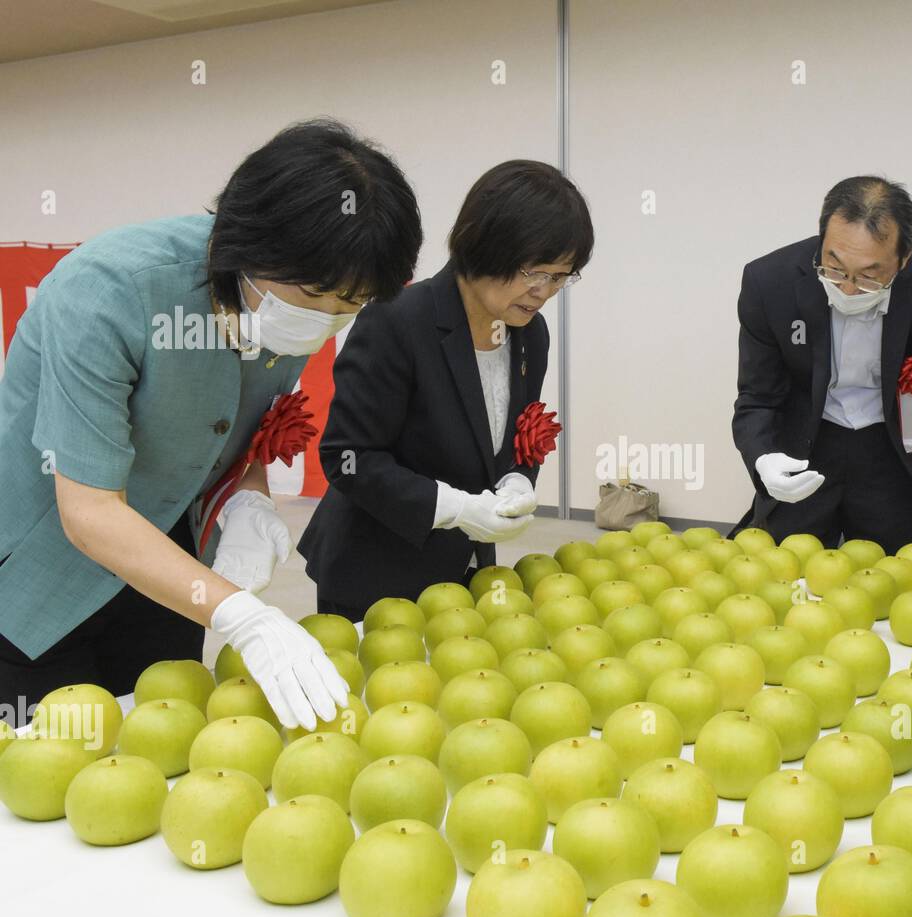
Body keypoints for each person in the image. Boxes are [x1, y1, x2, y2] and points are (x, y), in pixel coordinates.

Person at [0, 119, 422, 731]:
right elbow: (88, 508)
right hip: (43, 572)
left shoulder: (286, 305)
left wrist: (247, 500)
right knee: (48, 765)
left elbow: (241, 427)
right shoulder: (109, 292)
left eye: (350, 305)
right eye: (313, 294)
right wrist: (242, 616)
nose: (324, 321)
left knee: (164, 740)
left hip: (168, 564)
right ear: (248, 245)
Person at [298, 160, 593, 620]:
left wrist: (518, 475)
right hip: (375, 569)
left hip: (466, 568)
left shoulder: (529, 334)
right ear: (484, 245)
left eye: (560, 277)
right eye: (534, 271)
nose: (544, 292)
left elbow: (516, 432)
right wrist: (451, 507)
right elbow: (349, 457)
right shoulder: (397, 320)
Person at [731, 176, 912, 551]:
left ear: (904, 259)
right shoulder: (769, 282)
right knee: (788, 579)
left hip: (887, 456)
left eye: (870, 276)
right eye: (834, 268)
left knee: (888, 583)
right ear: (822, 240)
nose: (848, 289)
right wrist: (763, 458)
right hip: (803, 448)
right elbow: (757, 395)